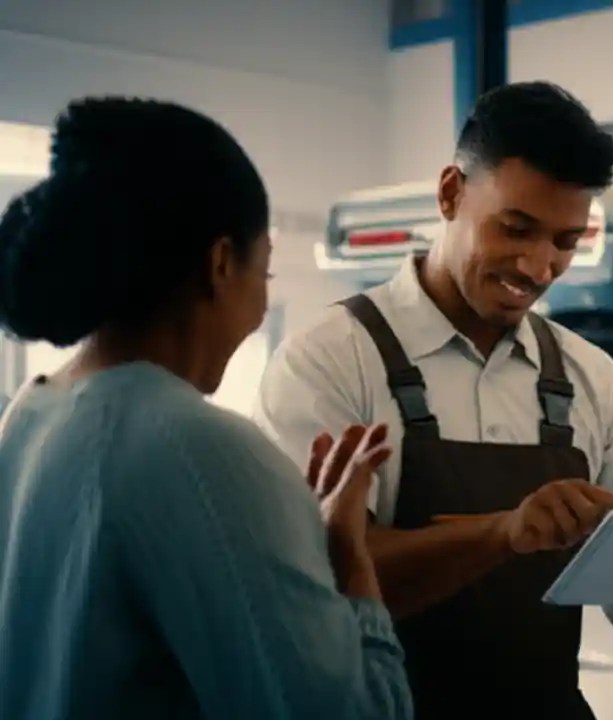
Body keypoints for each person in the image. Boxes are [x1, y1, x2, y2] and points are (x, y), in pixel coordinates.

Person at [253, 81, 613, 718]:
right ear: (451, 192)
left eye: (565, 242)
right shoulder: (331, 363)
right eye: (516, 229)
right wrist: (505, 532)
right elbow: (315, 588)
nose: (537, 267)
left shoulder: (592, 378)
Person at [0, 97, 412, 720]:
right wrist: (348, 559)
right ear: (221, 264)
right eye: (265, 272)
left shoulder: (27, 421)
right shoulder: (197, 445)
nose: (258, 308)